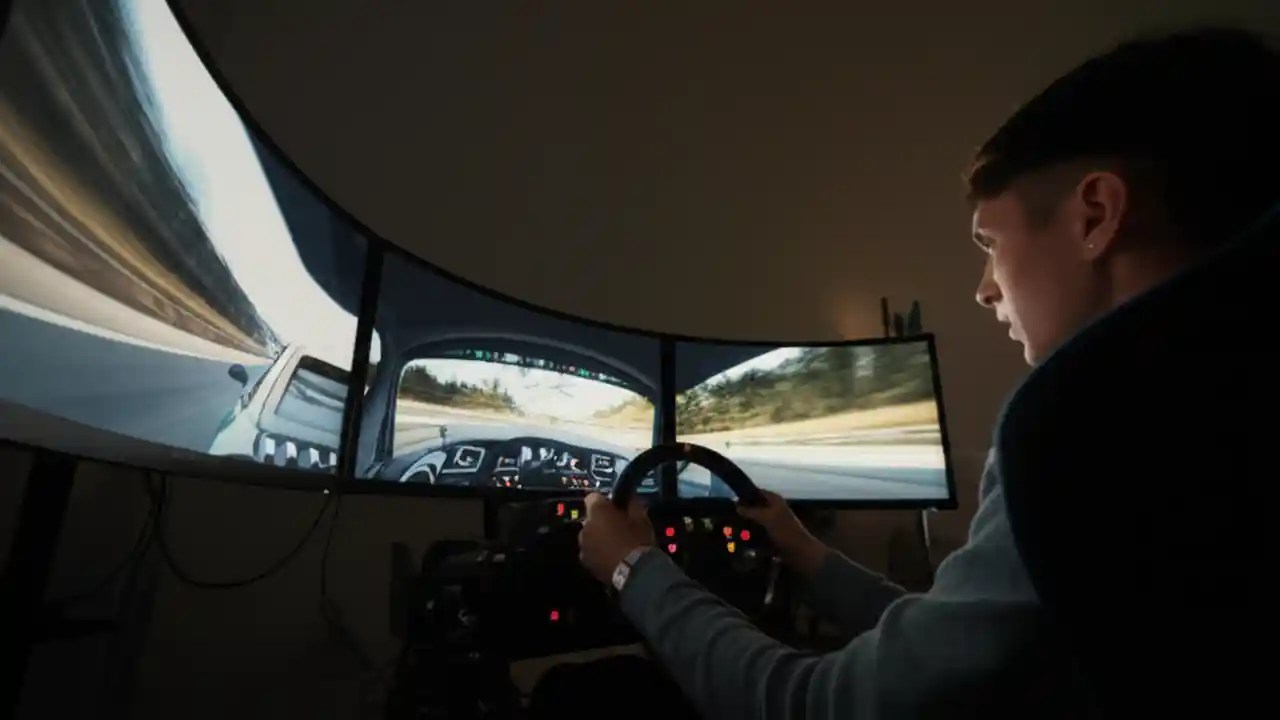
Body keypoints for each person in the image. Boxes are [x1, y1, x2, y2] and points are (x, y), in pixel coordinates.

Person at [576, 27, 1280, 719]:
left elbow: (817, 705)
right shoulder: (1216, 398)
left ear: (1096, 215)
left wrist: (632, 568)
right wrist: (807, 553)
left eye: (990, 242)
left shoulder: (1080, 430)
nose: (985, 288)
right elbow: (973, 652)